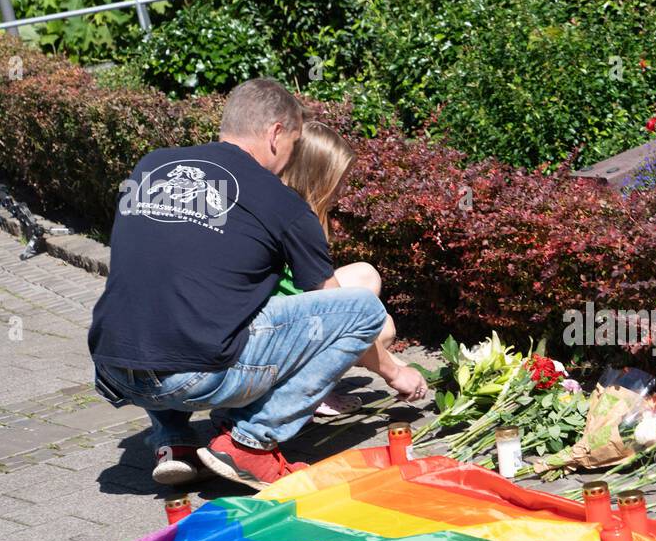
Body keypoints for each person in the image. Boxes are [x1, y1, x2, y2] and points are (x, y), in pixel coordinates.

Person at [88, 78, 426, 490]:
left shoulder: (152, 164)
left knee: (167, 294)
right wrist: (392, 371)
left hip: (114, 368)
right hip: (193, 377)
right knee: (363, 311)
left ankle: (175, 438)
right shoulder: (281, 202)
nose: (290, 158)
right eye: (293, 143)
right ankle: (250, 443)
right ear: (276, 133)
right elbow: (331, 312)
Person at [276, 121, 426, 414]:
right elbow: (336, 310)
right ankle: (306, 390)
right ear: (316, 177)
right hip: (280, 333)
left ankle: (314, 382)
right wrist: (393, 370)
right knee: (379, 328)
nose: (341, 191)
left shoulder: (284, 205)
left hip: (288, 312)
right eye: (337, 181)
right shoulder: (297, 221)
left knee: (365, 276)